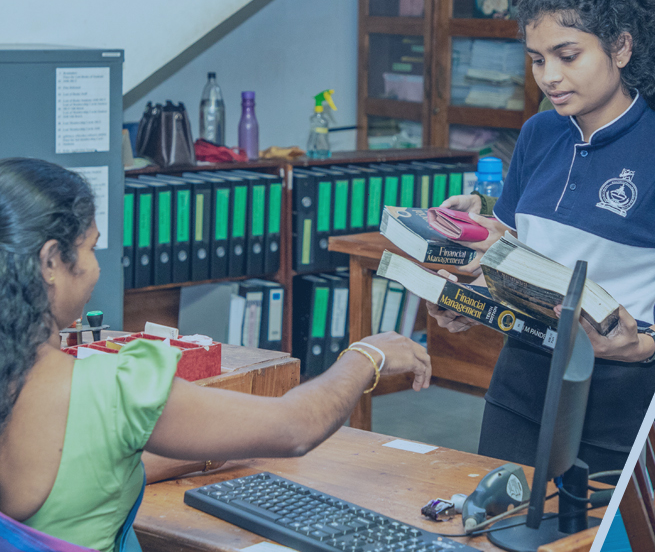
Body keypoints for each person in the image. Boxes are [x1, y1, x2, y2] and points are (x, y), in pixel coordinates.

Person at [0, 158, 431, 552]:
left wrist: (206, 449)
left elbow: (83, 471)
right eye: (92, 248)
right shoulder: (111, 388)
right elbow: (295, 427)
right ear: (51, 262)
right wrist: (367, 355)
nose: (97, 267)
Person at [425, 0, 655, 474]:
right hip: (521, 370)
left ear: (621, 48)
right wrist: (468, 295)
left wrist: (648, 344)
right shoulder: (538, 134)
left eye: (567, 56)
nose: (549, 76)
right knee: (497, 517)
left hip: (615, 387)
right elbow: (512, 247)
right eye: (537, 59)